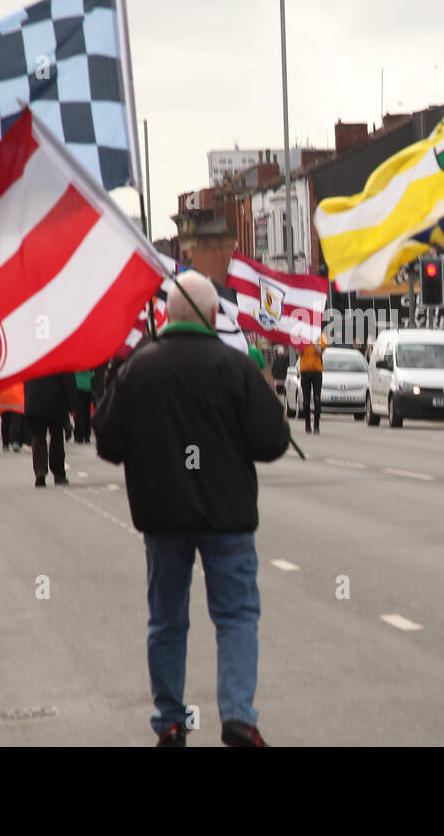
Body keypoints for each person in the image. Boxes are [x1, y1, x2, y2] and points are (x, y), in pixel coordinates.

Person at [97, 271, 289, 747]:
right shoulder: (235, 367)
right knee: (237, 615)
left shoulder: (139, 369)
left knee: (166, 619)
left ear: (164, 316)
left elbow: (108, 440)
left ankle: (171, 721)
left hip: (162, 518)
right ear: (210, 316)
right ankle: (238, 718)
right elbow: (271, 442)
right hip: (228, 518)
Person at [24, 372, 78, 487]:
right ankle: (58, 474)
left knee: (38, 437)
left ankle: (40, 471)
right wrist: (72, 406)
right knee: (57, 437)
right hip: (55, 401)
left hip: (34, 400)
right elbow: (68, 380)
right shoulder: (58, 356)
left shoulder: (32, 356)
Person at [297, 333, 326, 433]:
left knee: (317, 399)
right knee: (306, 400)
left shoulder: (322, 336)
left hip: (317, 372)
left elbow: (320, 352)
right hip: (305, 371)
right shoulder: (302, 336)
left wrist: (313, 341)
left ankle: (316, 426)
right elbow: (299, 352)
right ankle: (307, 425)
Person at [0, 382, 26, 452]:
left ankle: (5, 444)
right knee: (16, 423)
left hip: (2, 398)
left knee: (5, 423)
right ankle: (15, 442)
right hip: (17, 399)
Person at [73, 369, 95, 444]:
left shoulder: (75, 364)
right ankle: (86, 436)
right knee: (87, 413)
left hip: (78, 388)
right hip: (88, 388)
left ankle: (79, 436)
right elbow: (92, 374)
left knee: (79, 413)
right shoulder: (87, 363)